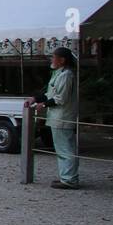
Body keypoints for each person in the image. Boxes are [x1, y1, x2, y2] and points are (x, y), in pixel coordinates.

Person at [26, 46, 79, 189]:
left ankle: (69, 179)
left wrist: (42, 105)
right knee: (62, 147)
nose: (52, 59)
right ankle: (66, 176)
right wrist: (36, 98)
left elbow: (60, 98)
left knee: (65, 148)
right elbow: (50, 94)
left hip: (62, 116)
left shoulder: (66, 75)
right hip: (57, 116)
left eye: (54, 57)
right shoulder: (59, 73)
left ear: (62, 60)